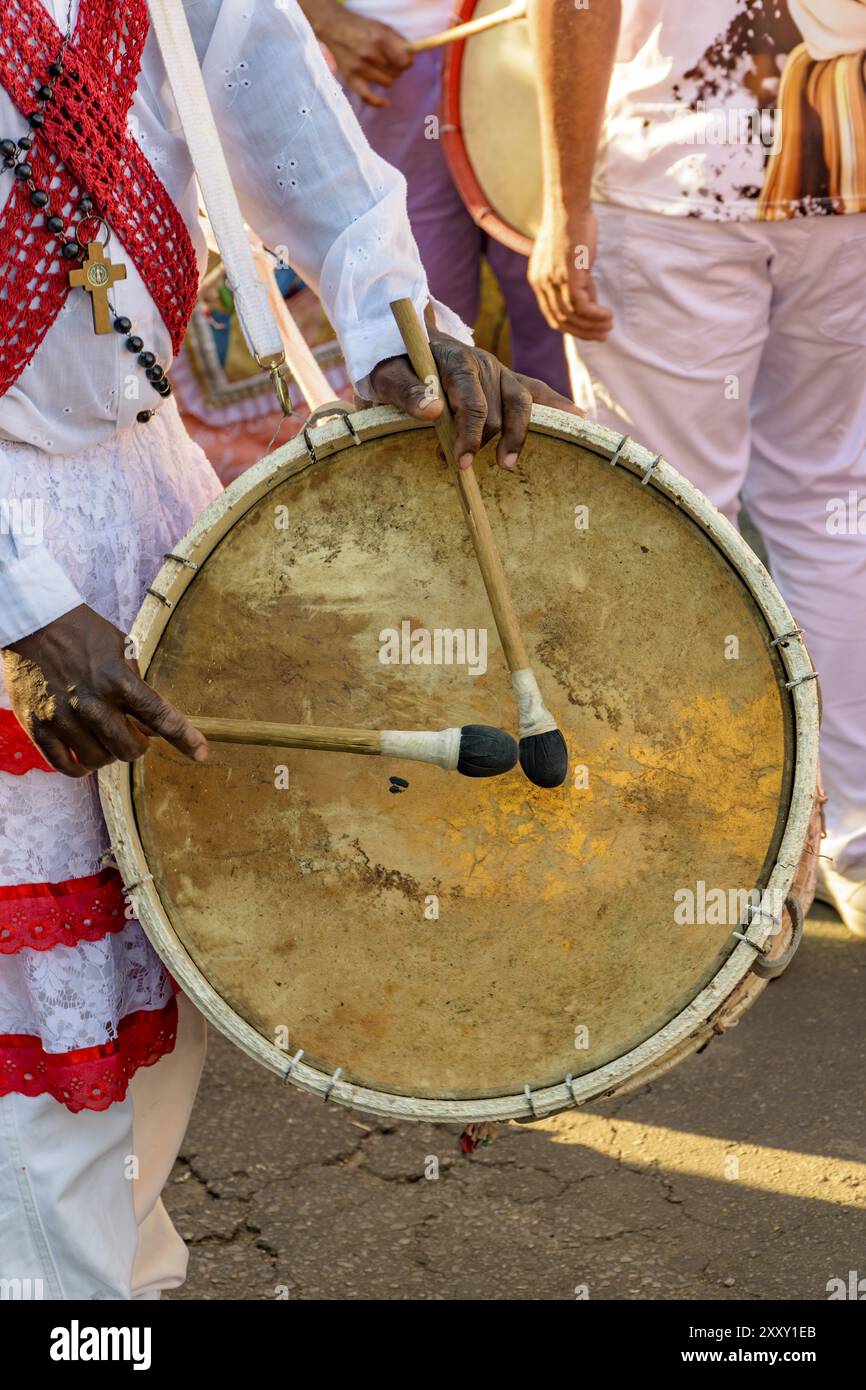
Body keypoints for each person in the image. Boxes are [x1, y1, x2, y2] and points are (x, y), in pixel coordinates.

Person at [0, 0, 575, 1300]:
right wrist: (16, 605)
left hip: (134, 504)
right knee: (38, 1117)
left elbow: (271, 92)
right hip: (17, 562)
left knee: (139, 1047)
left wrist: (392, 325)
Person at [527, 0, 866, 937]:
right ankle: (853, 840)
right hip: (848, 176)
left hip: (672, 179)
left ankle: (700, 850)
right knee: (831, 504)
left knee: (666, 528)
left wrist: (564, 203)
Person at [298, 0, 573, 397]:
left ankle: (568, 451)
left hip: (530, 51)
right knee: (417, 328)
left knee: (557, 310)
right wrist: (331, 21)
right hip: (393, 63)